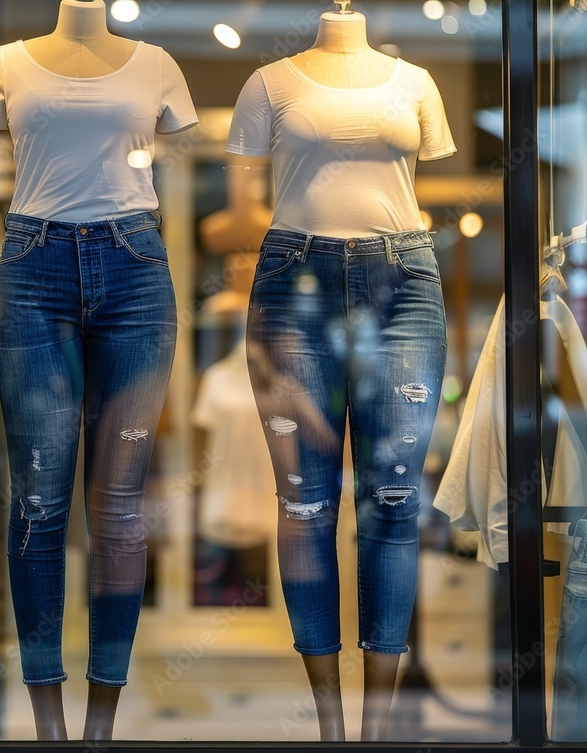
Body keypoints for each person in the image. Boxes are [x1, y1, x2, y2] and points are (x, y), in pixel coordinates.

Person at [0, 0, 197, 740]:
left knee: (120, 506)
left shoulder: (158, 65)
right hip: (33, 266)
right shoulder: (6, 63)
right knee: (37, 501)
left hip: (134, 266)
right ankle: (47, 725)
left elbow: (180, 137)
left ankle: (99, 722)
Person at [226, 4, 456, 742]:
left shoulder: (416, 82)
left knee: (391, 498)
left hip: (405, 280)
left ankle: (378, 726)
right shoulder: (268, 83)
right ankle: (329, 721)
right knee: (305, 503)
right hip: (295, 280)